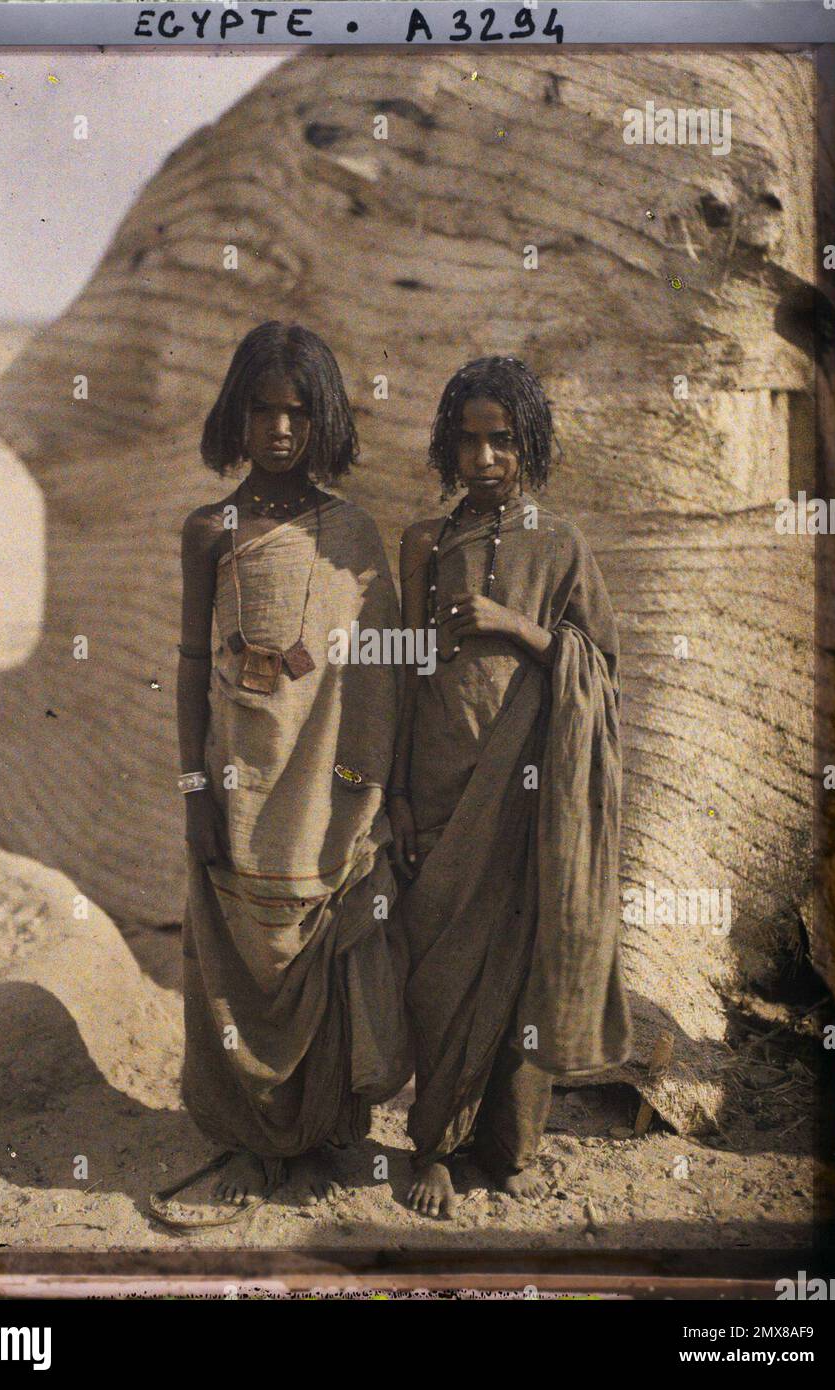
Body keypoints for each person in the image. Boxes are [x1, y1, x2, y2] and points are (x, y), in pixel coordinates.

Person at [389, 356, 631, 1219]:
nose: (484, 457)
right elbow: (405, 675)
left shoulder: (561, 544)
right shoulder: (426, 543)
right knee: (442, 970)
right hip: (441, 786)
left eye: (502, 440)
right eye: (469, 440)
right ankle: (436, 1148)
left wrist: (515, 626)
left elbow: (598, 666)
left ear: (530, 444)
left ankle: (509, 1145)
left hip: (531, 795)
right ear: (448, 445)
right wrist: (398, 793)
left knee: (520, 962)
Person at [175, 321, 410, 1209]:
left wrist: (370, 787)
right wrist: (197, 790)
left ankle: (323, 1137)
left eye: (299, 412)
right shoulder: (209, 530)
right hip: (238, 782)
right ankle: (249, 1141)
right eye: (264, 410)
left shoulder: (351, 534)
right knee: (238, 958)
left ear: (326, 422)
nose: (280, 429)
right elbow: (197, 669)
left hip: (327, 795)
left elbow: (379, 668)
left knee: (329, 948)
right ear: (237, 415)